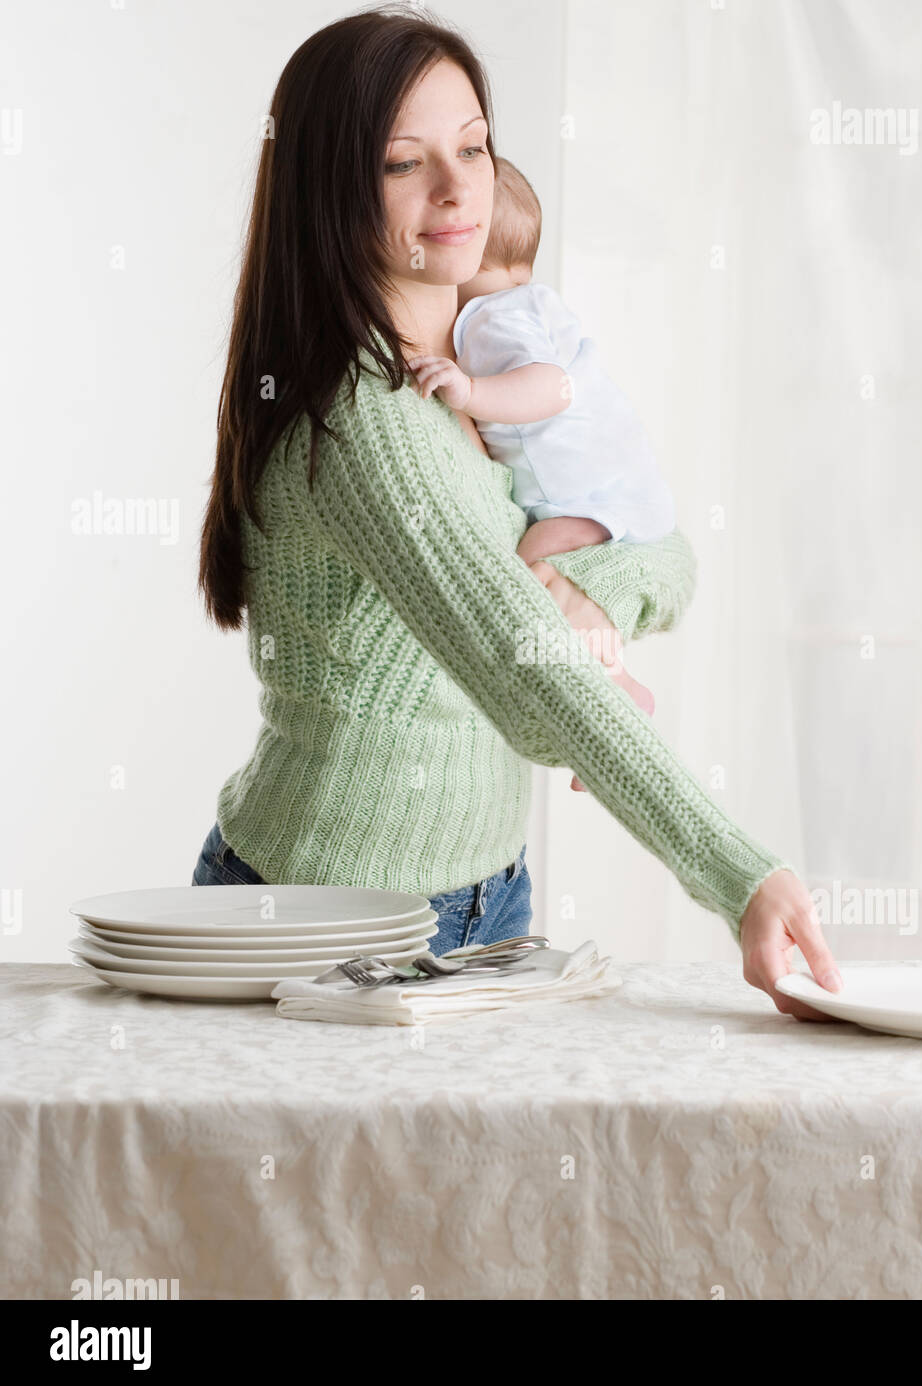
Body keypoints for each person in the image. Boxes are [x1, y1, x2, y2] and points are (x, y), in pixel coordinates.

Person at [193, 5, 842, 1017]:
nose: (459, 189)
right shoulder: (364, 423)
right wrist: (740, 873)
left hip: (492, 899)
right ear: (329, 189)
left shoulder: (498, 364)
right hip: (331, 916)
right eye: (404, 162)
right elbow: (527, 675)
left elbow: (662, 548)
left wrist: (579, 589)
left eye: (474, 147)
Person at [406, 155, 670, 759]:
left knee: (534, 574)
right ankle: (607, 705)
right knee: (549, 584)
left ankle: (616, 691)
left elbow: (550, 386)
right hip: (616, 488)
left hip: (583, 499)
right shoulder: (534, 302)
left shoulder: (493, 319)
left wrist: (470, 392)